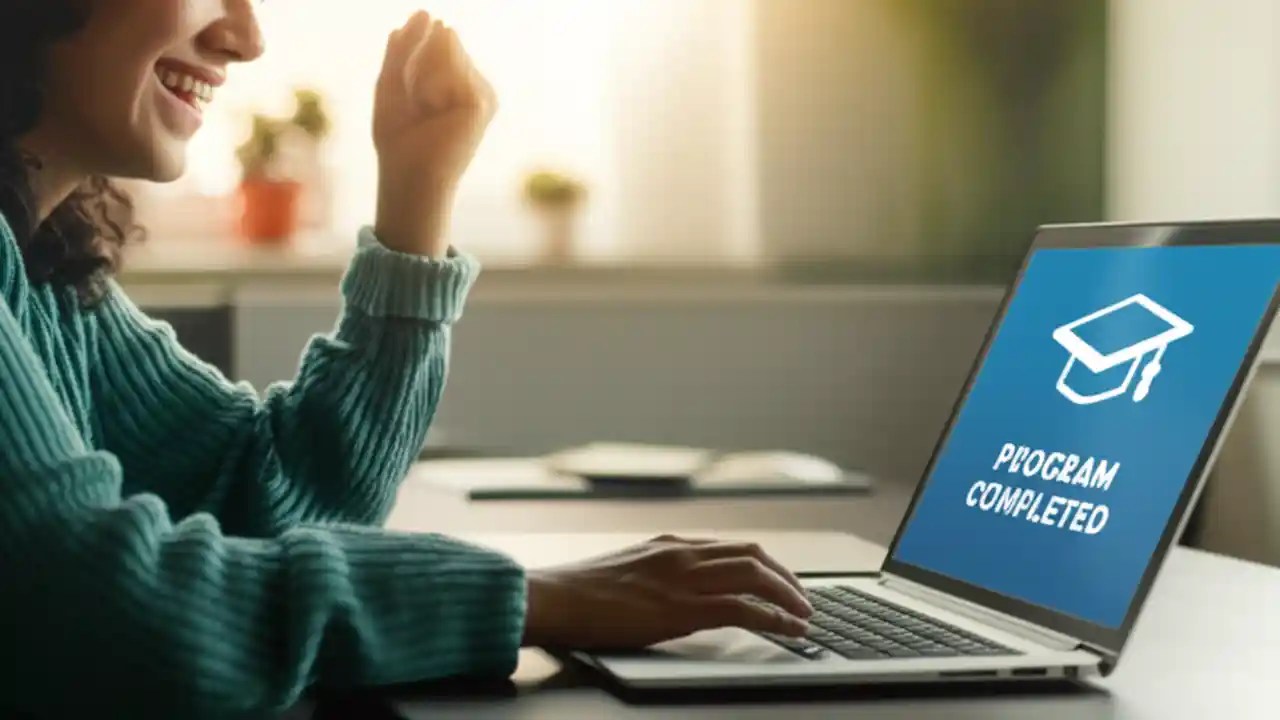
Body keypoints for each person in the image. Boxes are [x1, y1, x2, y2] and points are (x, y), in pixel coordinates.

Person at [0, 2, 814, 717]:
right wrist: (536, 599)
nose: (244, 37)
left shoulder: (48, 276)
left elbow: (277, 493)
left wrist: (416, 192)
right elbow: (101, 614)